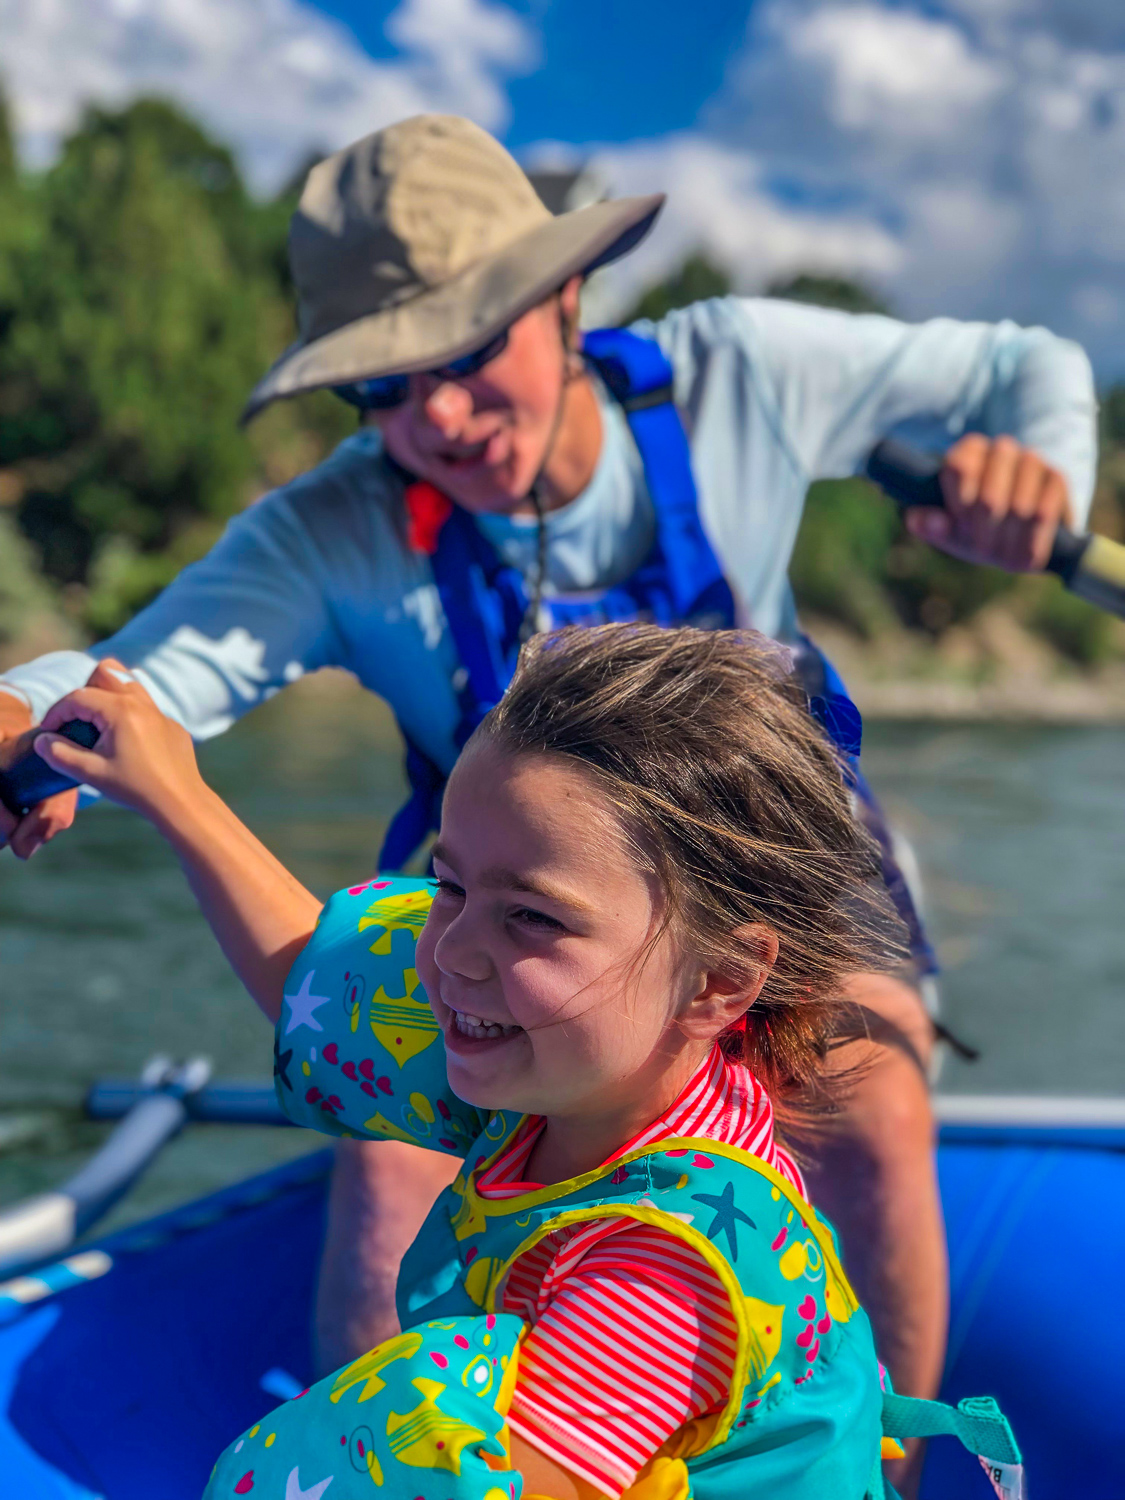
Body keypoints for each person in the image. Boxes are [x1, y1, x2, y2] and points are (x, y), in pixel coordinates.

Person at [0, 113, 1096, 1436]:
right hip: (510, 907)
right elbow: (134, 683)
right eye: (381, 387)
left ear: (566, 295)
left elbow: (1025, 366)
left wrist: (1041, 469)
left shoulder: (738, 370)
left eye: (467, 351)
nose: (436, 417)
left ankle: (880, 1459)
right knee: (389, 1162)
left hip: (766, 887)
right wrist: (22, 716)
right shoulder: (335, 525)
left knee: (868, 1108)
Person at [27, 625, 1022, 1500]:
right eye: (447, 885)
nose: (453, 951)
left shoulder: (655, 1275)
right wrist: (174, 793)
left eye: (532, 917)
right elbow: (323, 980)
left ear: (720, 979)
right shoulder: (599, 1069)